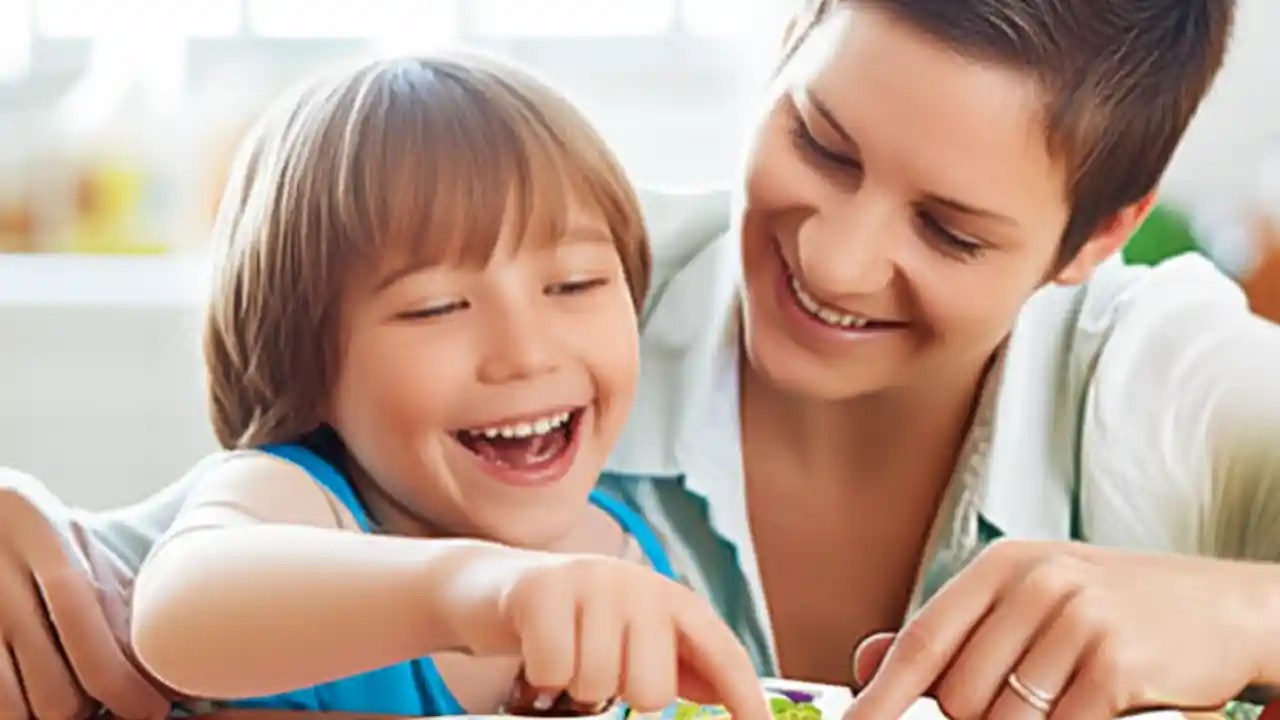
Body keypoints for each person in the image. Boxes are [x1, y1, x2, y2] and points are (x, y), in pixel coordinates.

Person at [3, 1, 1278, 718]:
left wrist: (1239, 609)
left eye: (947, 229)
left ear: (1094, 235)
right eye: (821, 145)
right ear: (786, 36)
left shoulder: (1164, 383)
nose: (830, 260)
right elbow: (153, 582)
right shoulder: (587, 284)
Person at [117, 53, 767, 719]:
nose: (527, 354)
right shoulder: (300, 502)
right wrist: (479, 591)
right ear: (304, 362)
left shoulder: (631, 559)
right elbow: (176, 613)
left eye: (573, 285)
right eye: (435, 307)